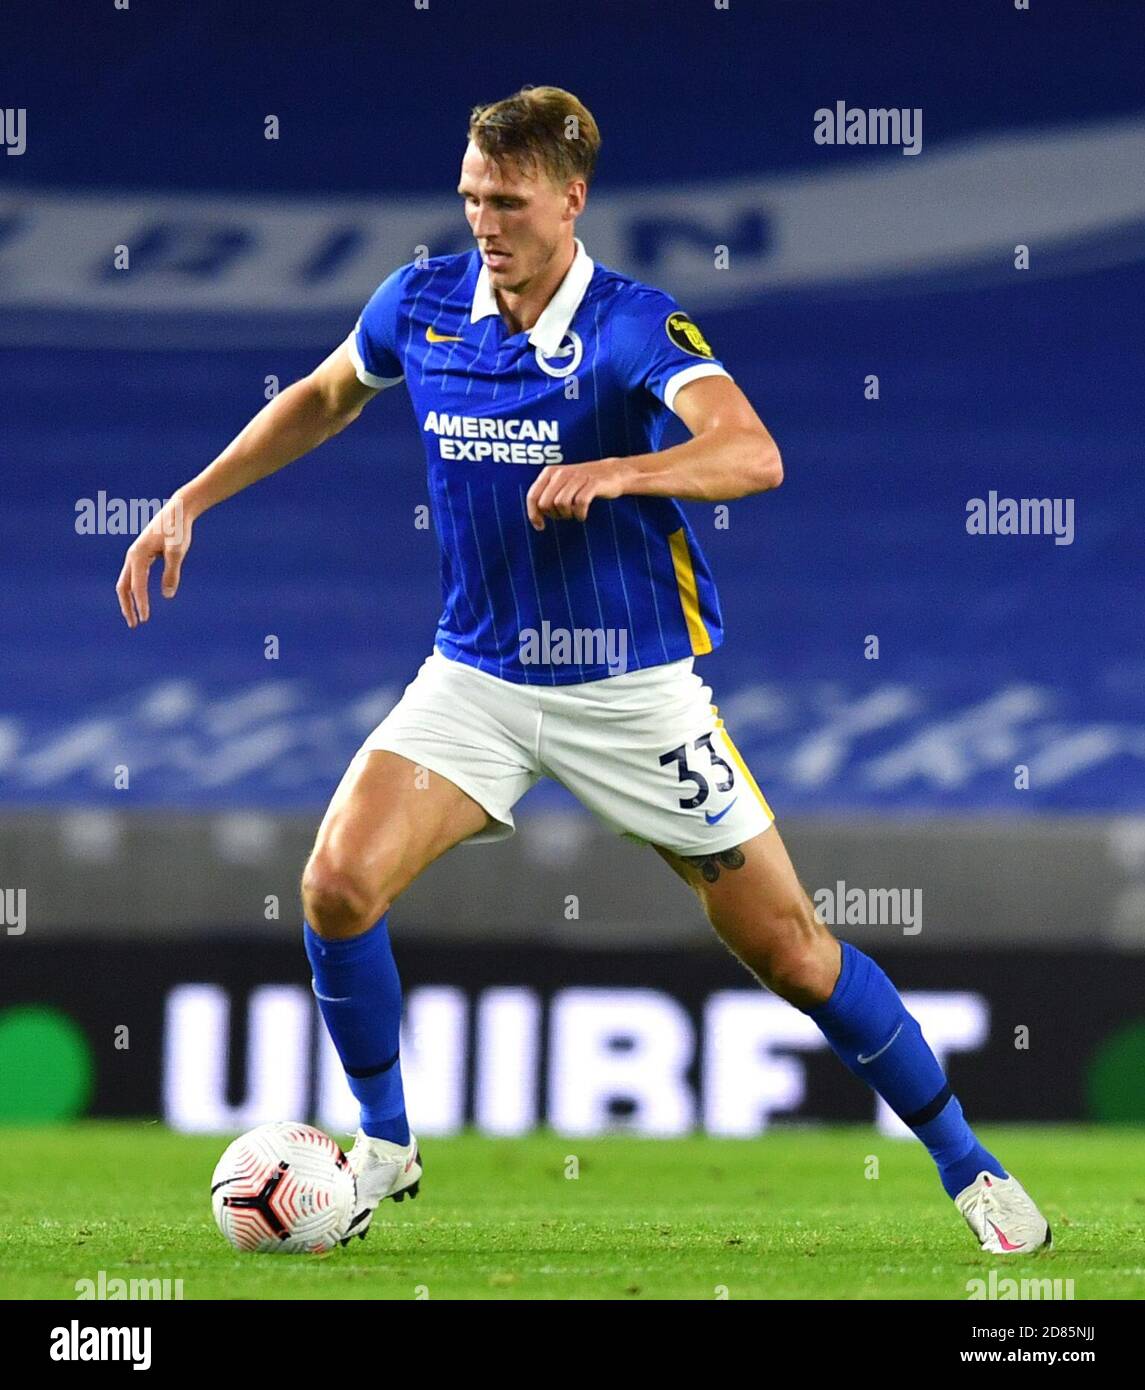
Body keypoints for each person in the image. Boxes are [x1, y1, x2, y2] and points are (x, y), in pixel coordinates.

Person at [116, 85, 1049, 1255]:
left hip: (630, 693)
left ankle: (969, 1165)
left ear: (571, 197)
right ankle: (387, 1143)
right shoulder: (420, 303)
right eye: (468, 197)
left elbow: (752, 454)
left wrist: (619, 472)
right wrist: (190, 499)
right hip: (478, 683)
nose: (483, 223)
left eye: (505, 201)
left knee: (792, 952)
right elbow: (321, 397)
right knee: (335, 886)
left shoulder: (629, 325)